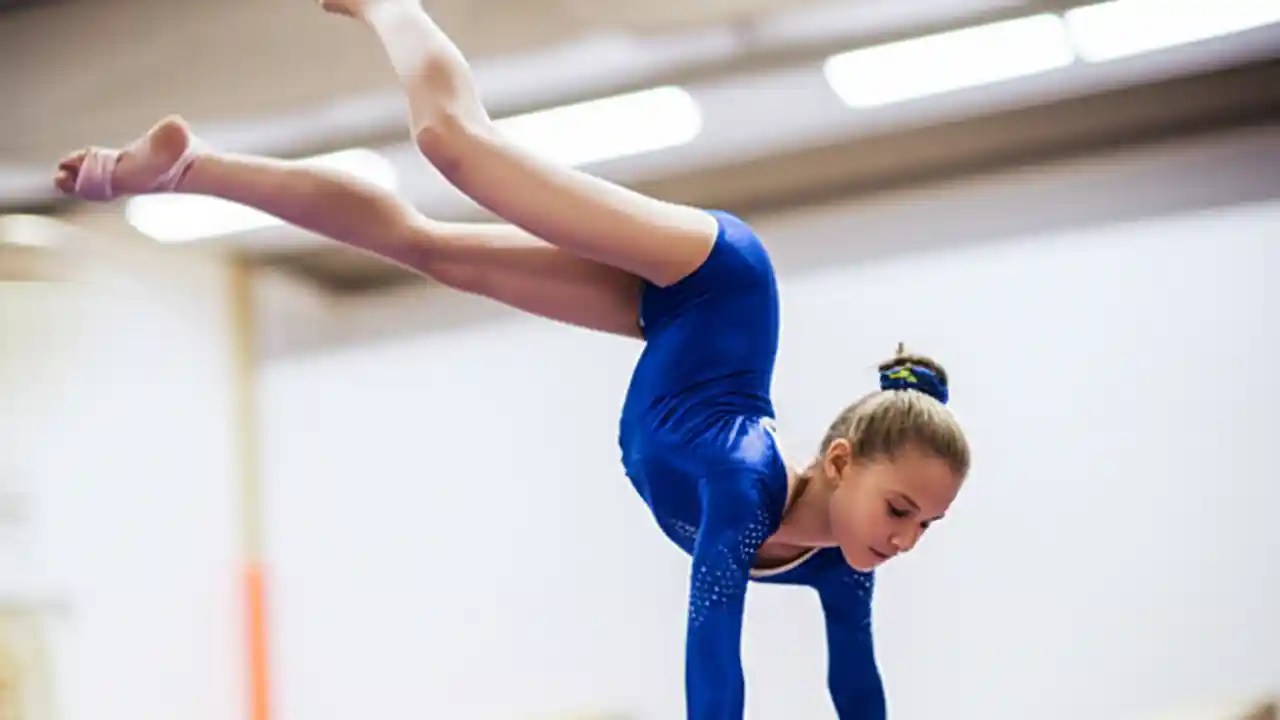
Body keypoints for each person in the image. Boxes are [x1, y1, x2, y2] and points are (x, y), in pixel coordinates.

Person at [53, 0, 972, 716]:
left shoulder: (842, 571)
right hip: (715, 277)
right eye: (899, 507)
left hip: (673, 330)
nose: (903, 539)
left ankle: (186, 171)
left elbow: (858, 692)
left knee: (429, 249)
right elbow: (713, 660)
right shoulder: (741, 488)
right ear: (843, 461)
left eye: (926, 525)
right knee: (456, 147)